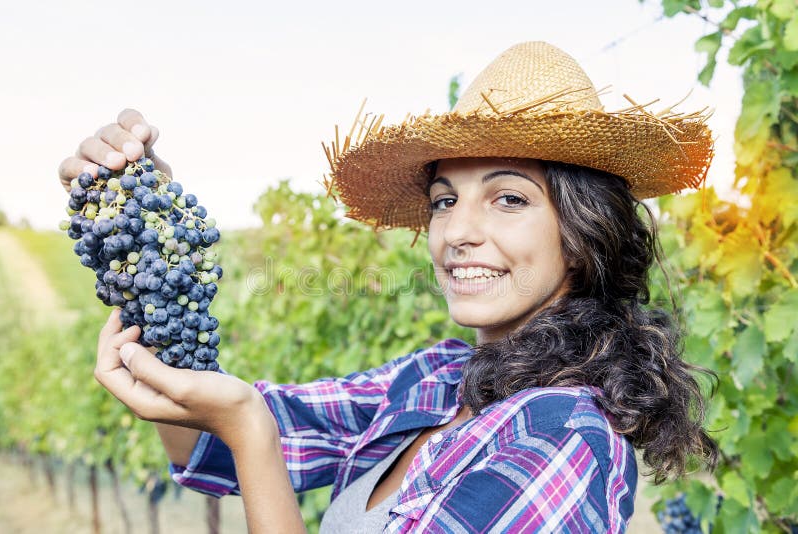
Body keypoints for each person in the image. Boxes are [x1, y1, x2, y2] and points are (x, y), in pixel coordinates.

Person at [58, 42, 718, 533]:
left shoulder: (563, 441)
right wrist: (145, 231)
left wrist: (248, 430)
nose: (457, 231)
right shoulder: (435, 378)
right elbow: (216, 441)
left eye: (508, 199)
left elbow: (246, 431)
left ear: (583, 233)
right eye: (443, 200)